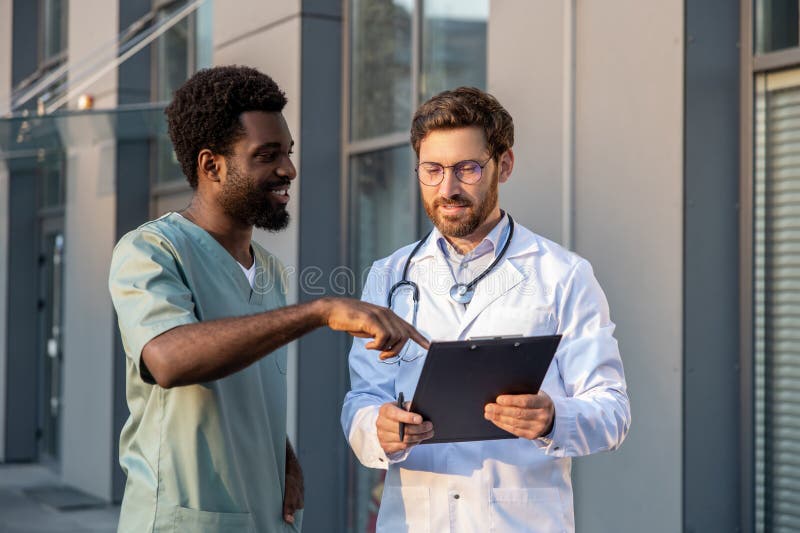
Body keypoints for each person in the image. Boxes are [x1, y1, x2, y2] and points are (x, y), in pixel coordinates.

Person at [108, 65, 427, 533]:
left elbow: (244, 386)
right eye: (268, 155)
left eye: (289, 153)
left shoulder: (270, 271)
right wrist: (320, 311)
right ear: (211, 165)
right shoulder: (152, 251)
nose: (289, 170)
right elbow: (168, 358)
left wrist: (283, 454)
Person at [341, 87, 631, 532]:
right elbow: (361, 400)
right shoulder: (389, 275)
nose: (448, 188)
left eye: (467, 169)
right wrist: (377, 429)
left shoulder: (564, 275)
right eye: (432, 170)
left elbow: (612, 411)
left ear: (505, 165)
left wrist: (554, 418)